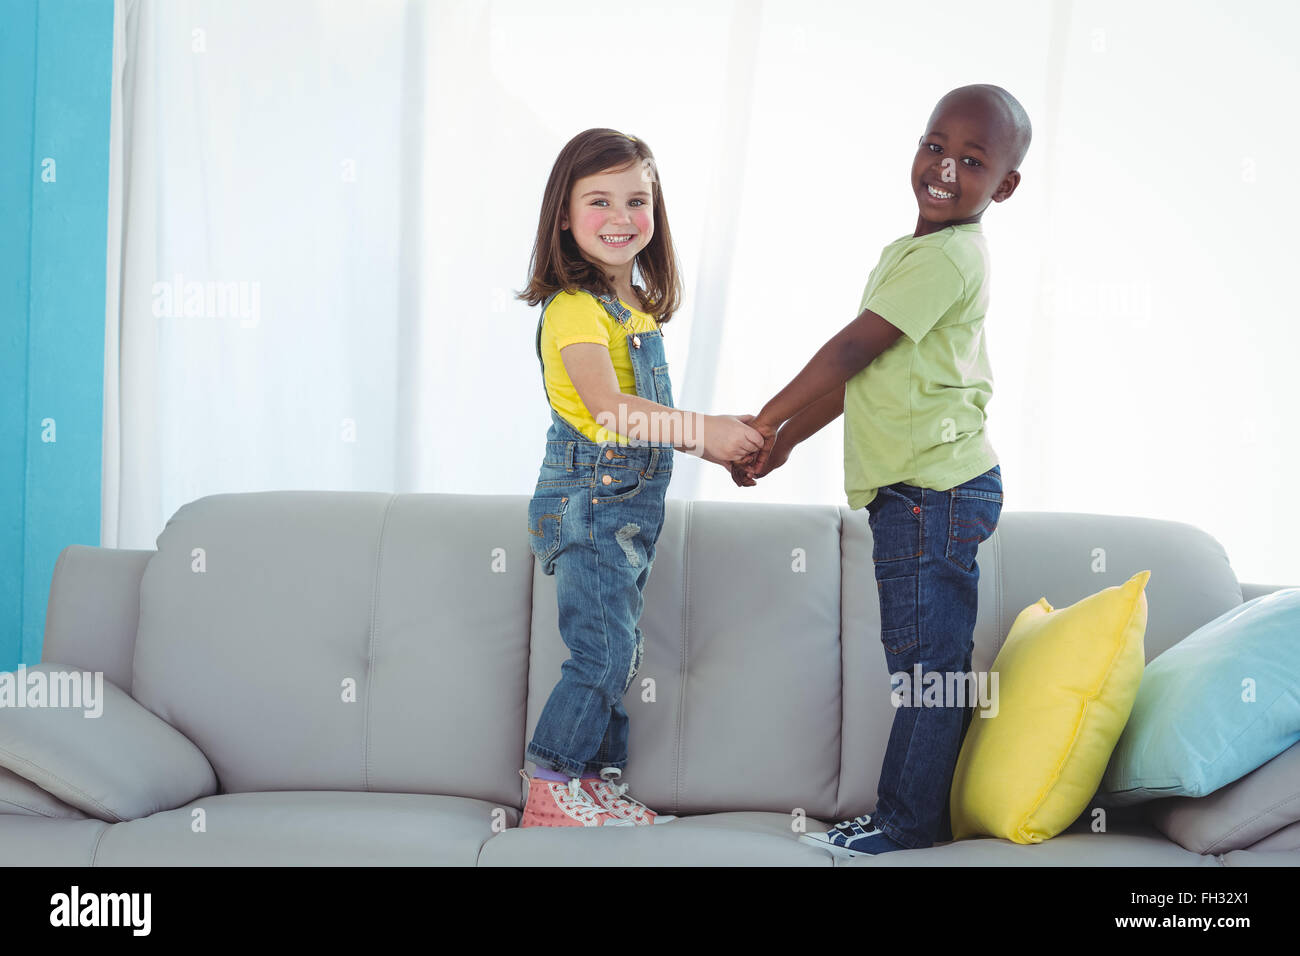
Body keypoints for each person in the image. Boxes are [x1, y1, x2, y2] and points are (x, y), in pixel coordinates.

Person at [736, 85, 1031, 856]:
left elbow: (850, 349)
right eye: (935, 146)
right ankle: (907, 817)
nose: (944, 168)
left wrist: (765, 416)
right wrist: (792, 438)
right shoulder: (914, 256)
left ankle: (907, 823)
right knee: (920, 665)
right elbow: (867, 374)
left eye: (972, 160)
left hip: (933, 489)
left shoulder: (952, 256)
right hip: (915, 490)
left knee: (929, 670)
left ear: (1004, 185)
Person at [517, 128, 763, 826]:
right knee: (602, 649)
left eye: (637, 199)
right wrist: (704, 433)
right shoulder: (574, 309)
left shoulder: (638, 310)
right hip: (587, 505)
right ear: (563, 216)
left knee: (621, 652)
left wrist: (724, 437)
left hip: (627, 513)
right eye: (599, 201)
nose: (621, 217)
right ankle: (549, 782)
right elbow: (610, 410)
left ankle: (592, 784)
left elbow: (653, 412)